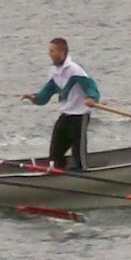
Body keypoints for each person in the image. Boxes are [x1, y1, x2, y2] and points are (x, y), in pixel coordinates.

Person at [21, 37, 101, 171]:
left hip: (80, 115)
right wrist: (34, 98)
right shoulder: (54, 71)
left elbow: (91, 86)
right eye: (49, 51)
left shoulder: (75, 69)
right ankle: (58, 171)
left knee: (78, 150)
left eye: (52, 51)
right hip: (66, 114)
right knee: (55, 150)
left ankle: (83, 171)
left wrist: (92, 97)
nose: (49, 54)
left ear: (62, 52)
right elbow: (46, 93)